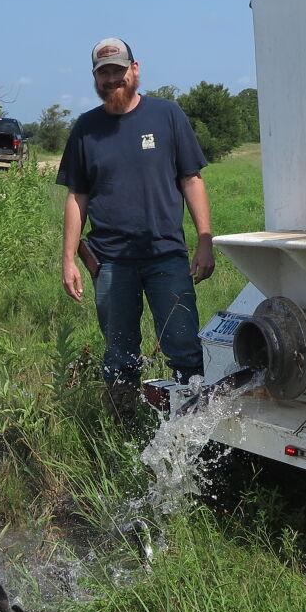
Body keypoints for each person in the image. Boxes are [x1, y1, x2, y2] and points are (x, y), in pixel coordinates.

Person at [58, 38, 215, 420]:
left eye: (118, 70)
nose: (112, 78)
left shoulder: (167, 116)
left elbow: (191, 180)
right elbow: (77, 196)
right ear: (96, 77)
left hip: (166, 257)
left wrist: (204, 241)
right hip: (112, 262)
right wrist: (68, 259)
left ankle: (190, 429)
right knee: (119, 352)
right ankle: (123, 425)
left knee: (183, 346)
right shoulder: (86, 128)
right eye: (104, 72)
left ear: (135, 69)